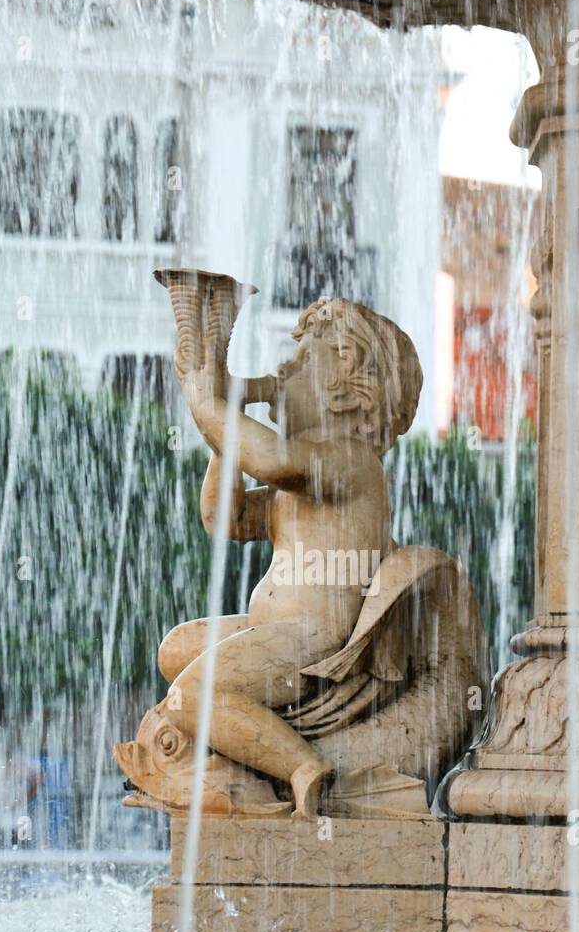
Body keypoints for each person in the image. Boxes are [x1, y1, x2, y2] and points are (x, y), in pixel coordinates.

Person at [158, 297, 421, 817]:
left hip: (316, 638)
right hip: (277, 629)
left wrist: (205, 402)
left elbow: (272, 459)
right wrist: (221, 431)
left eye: (301, 360)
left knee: (188, 697)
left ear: (347, 385)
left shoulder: (348, 461)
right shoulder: (300, 480)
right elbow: (224, 520)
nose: (282, 369)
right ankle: (258, 748)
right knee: (175, 650)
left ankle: (303, 767)